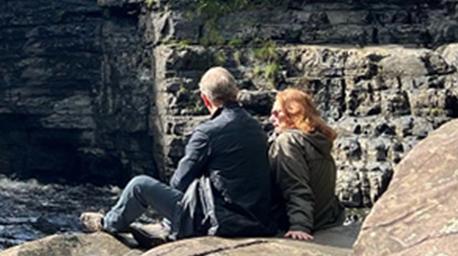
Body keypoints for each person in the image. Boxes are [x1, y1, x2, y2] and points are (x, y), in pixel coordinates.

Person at [81, 67, 277, 241]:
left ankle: (108, 223)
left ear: (205, 99)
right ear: (235, 92)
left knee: (139, 185)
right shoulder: (255, 127)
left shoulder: (208, 132)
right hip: (258, 220)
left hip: (221, 221)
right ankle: (168, 226)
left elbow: (179, 182)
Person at [268, 88, 345, 240]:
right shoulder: (317, 140)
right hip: (327, 221)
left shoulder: (288, 141)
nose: (271, 119)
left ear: (294, 114)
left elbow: (295, 186)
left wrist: (299, 226)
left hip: (300, 222)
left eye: (277, 113)